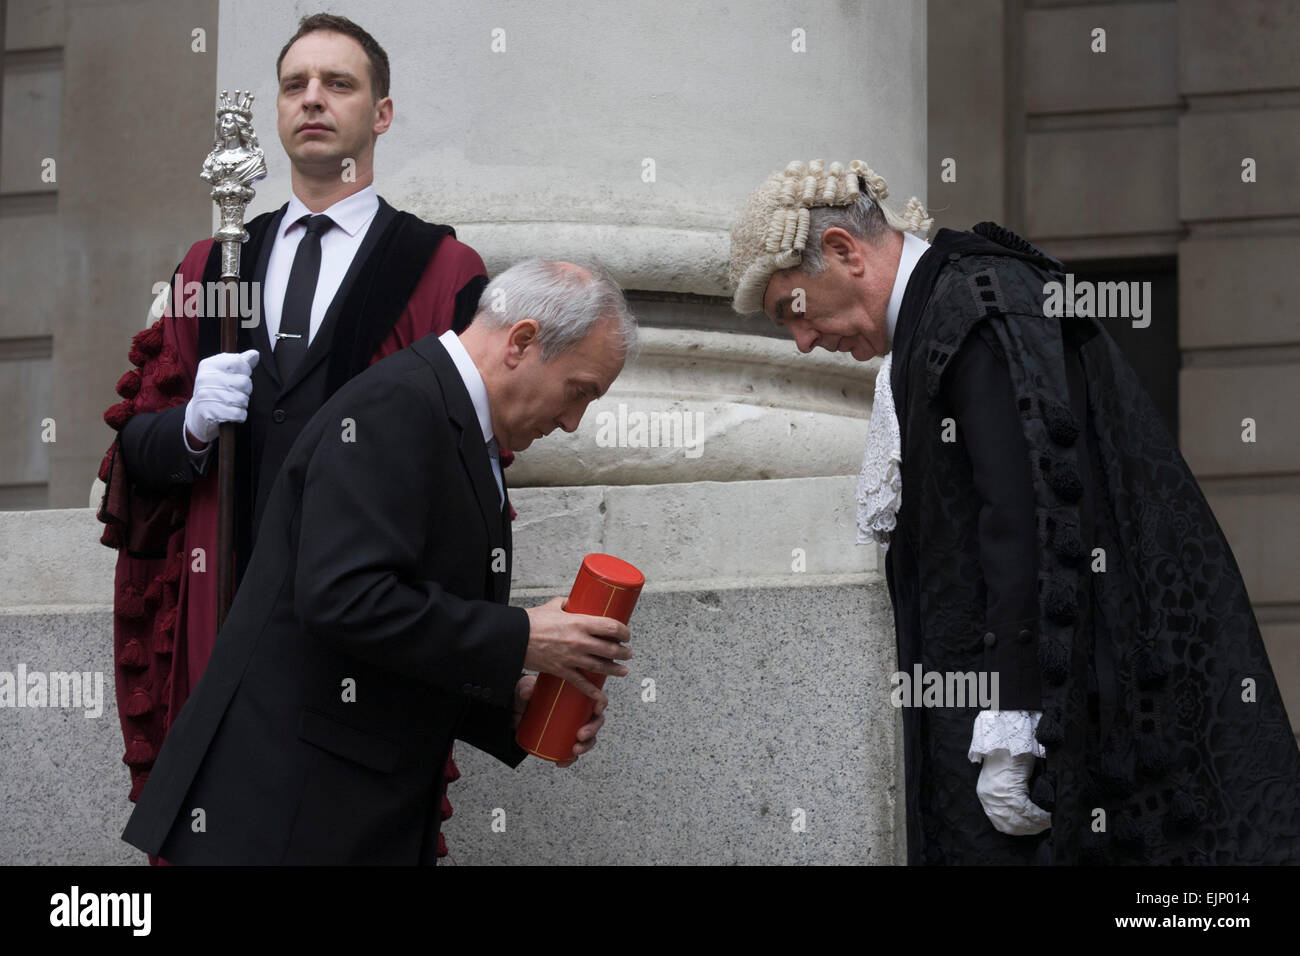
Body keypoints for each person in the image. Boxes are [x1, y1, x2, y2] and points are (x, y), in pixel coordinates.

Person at [728, 159, 1300, 864]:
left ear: (846, 252)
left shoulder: (977, 303)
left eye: (793, 308)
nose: (803, 340)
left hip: (1046, 731)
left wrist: (1013, 723)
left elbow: (1027, 511)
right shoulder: (948, 305)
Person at [96, 13, 490, 861]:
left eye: (338, 84)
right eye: (294, 85)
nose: (313, 100)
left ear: (381, 114)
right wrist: (192, 425)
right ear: (277, 113)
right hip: (226, 606)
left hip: (357, 625)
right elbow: (136, 455)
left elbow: (474, 469)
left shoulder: (441, 270)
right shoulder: (211, 268)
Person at [121, 259, 637, 864]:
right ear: (522, 341)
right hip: (290, 816)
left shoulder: (448, 413)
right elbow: (343, 599)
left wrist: (510, 698)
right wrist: (523, 635)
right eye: (579, 391)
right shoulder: (398, 403)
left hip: (337, 810)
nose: (573, 422)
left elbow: (389, 638)